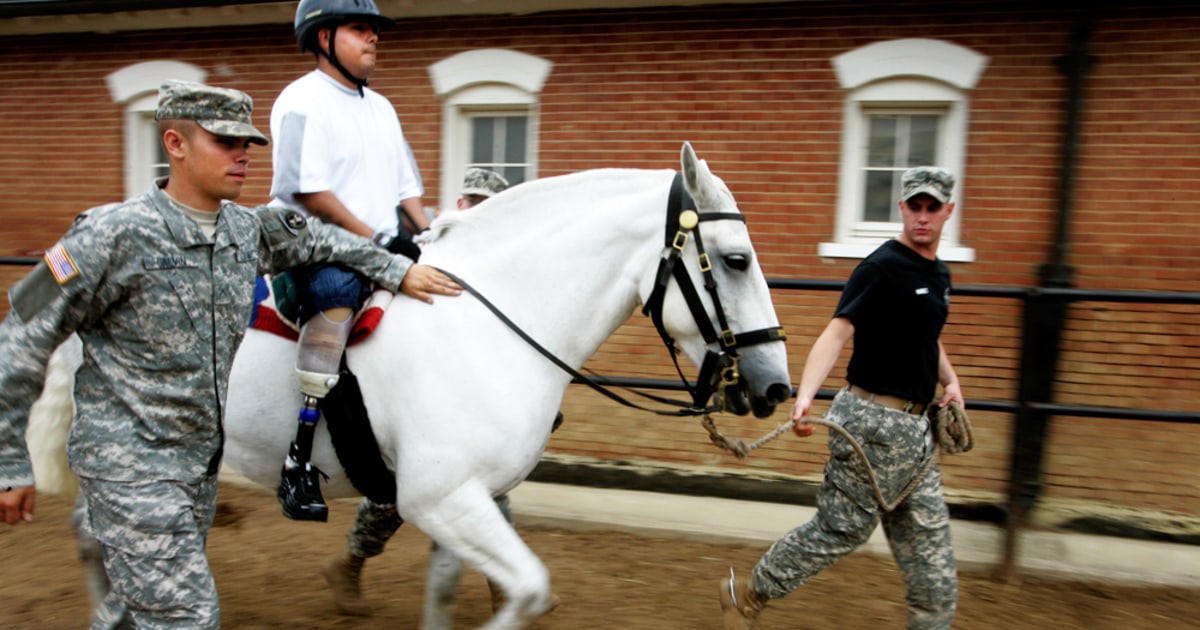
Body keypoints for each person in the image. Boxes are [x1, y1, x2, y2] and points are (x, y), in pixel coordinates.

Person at [0, 79, 459, 629]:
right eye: (224, 141)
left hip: (197, 469)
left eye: (247, 143)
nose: (242, 154)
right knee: (187, 616)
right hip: (130, 469)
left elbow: (324, 242)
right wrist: (7, 461)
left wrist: (398, 268)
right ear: (175, 143)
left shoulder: (247, 231)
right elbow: (22, 337)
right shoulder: (110, 236)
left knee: (129, 613)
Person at [719, 166, 965, 630]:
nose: (923, 217)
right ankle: (747, 595)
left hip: (916, 437)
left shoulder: (939, 275)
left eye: (933, 208)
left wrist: (950, 382)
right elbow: (837, 332)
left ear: (948, 210)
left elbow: (926, 339)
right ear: (902, 208)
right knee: (841, 530)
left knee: (934, 565)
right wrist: (805, 396)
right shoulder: (881, 267)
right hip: (868, 426)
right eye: (915, 206)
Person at [322, 166, 531, 616]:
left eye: (488, 205)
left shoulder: (503, 262)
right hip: (418, 390)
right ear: (460, 205)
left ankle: (505, 587)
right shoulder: (430, 243)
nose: (479, 211)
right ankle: (350, 564)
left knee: (485, 487)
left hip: (471, 395)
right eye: (473, 201)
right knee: (392, 497)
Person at [270, 0, 432, 521]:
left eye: (374, 31)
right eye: (360, 29)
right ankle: (298, 460)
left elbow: (408, 192)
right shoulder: (301, 101)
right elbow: (309, 193)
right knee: (338, 294)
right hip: (315, 248)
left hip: (379, 241)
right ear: (324, 39)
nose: (373, 38)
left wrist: (430, 239)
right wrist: (375, 241)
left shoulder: (382, 107)